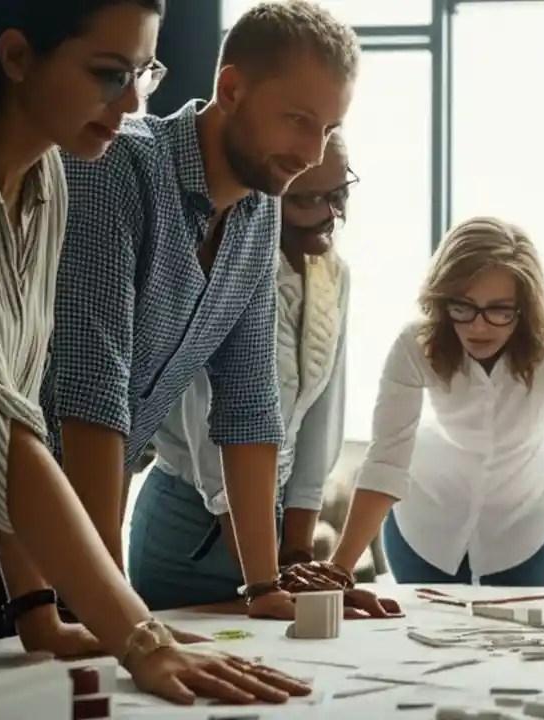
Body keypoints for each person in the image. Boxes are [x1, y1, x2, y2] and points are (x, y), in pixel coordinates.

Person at [0, 0, 308, 705]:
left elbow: (15, 404)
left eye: (143, 73)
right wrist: (138, 633)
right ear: (15, 57)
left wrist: (36, 610)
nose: (130, 103)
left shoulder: (49, 184)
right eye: (107, 73)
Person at [40, 0, 358, 622]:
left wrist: (265, 588)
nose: (308, 151)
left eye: (326, 128)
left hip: (79, 511)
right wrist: (115, 611)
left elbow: (249, 403)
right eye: (297, 119)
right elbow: (91, 394)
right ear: (231, 88)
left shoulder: (260, 209)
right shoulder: (120, 168)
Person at [138, 133, 396, 616]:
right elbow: (214, 440)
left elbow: (320, 424)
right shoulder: (222, 270)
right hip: (195, 530)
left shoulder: (334, 276)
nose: (330, 213)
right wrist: (270, 581)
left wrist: (297, 561)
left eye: (340, 192)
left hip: (273, 534)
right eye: (305, 199)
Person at [330, 217, 544, 589]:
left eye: (500, 310)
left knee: (519, 643)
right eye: (463, 307)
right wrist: (338, 571)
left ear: (527, 307)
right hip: (425, 526)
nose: (478, 327)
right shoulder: (415, 342)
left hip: (522, 530)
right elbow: (385, 462)